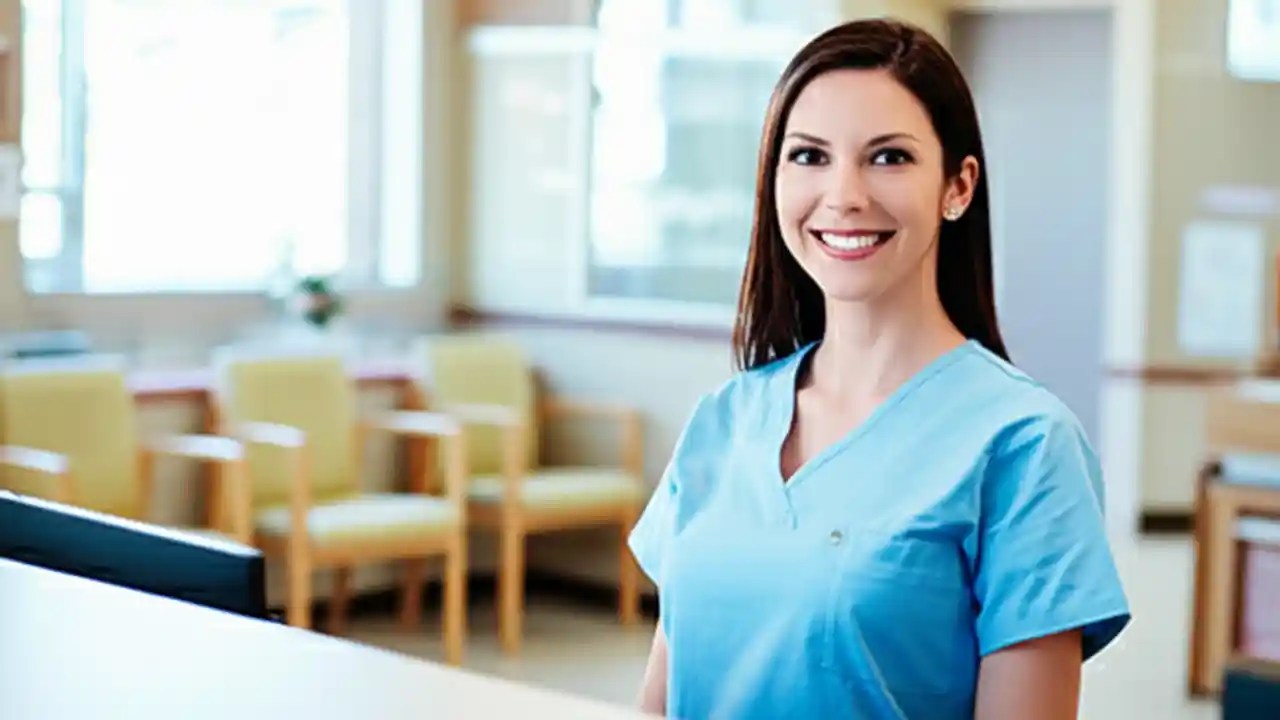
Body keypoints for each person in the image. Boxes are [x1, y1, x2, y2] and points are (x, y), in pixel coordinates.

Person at [627, 18, 1130, 720]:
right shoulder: (724, 419)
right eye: (808, 157)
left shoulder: (1024, 445)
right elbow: (661, 700)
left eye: (888, 158)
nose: (844, 195)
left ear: (958, 186)